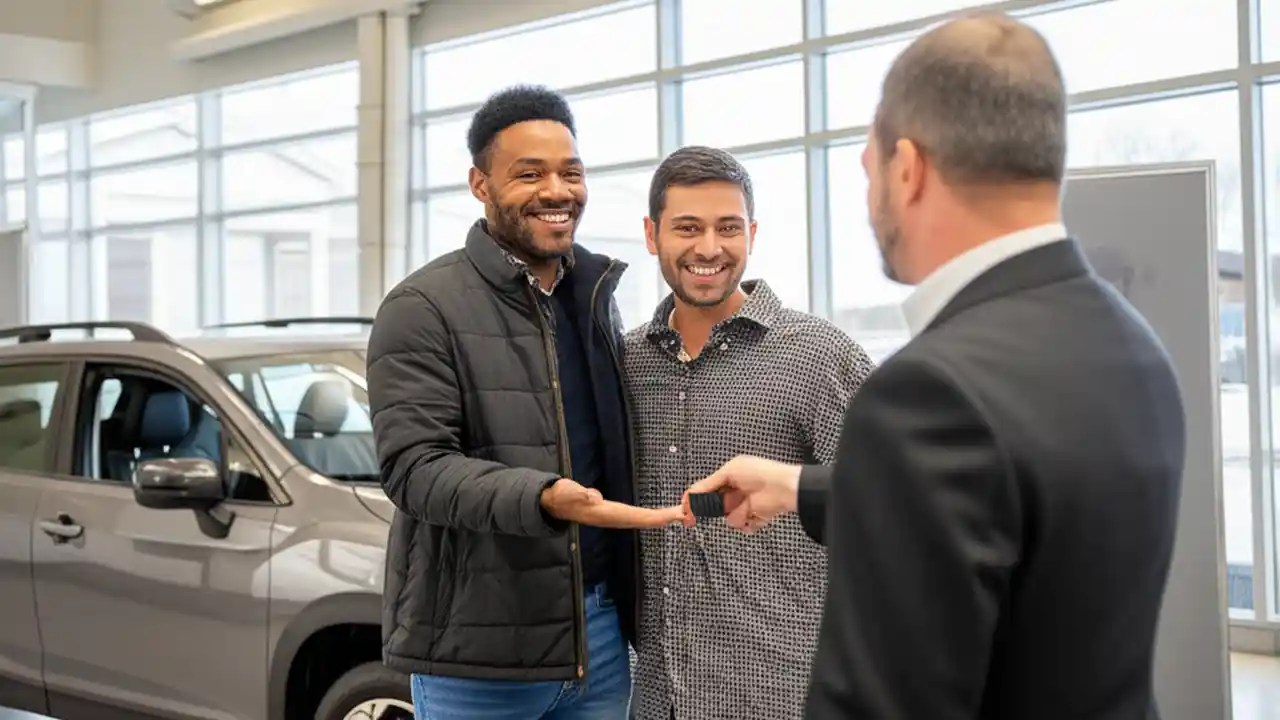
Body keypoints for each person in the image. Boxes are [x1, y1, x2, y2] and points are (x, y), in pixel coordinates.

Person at [684, 13, 1185, 720]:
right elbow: (1011, 500)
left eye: (868, 170)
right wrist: (803, 487)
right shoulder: (1131, 344)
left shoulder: (927, 393)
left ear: (909, 168)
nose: (868, 199)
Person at [367, 84, 681, 720]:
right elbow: (414, 468)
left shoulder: (594, 294)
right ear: (480, 185)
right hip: (478, 650)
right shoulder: (420, 308)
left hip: (598, 637)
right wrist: (541, 498)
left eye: (571, 172)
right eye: (529, 174)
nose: (557, 191)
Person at [623, 145, 874, 720]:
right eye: (687, 227)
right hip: (656, 697)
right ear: (651, 233)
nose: (708, 248)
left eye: (727, 228)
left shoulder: (818, 356)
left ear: (752, 233)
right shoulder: (626, 363)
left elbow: (894, 500)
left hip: (785, 694)